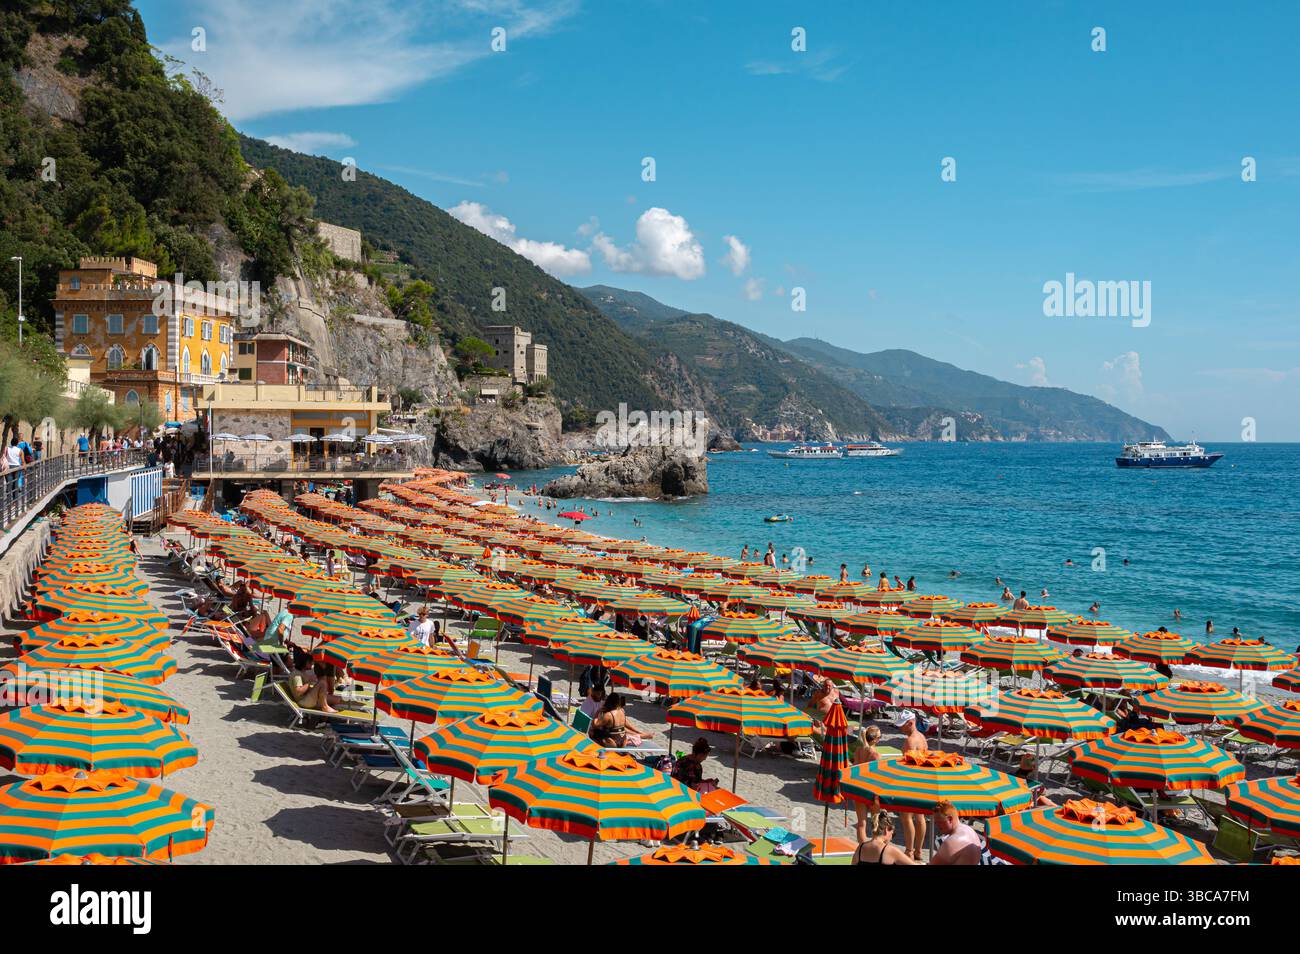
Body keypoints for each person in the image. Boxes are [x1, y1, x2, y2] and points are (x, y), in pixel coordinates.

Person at [894, 709, 928, 860]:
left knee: (906, 817)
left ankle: (909, 850)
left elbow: (908, 765)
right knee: (919, 817)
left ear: (911, 723)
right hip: (922, 780)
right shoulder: (922, 737)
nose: (900, 728)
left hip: (910, 781)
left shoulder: (910, 741)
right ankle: (919, 851)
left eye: (903, 725)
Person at [852, 725, 883, 842]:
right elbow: (878, 776)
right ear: (875, 739)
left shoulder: (858, 751)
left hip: (859, 787)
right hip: (871, 789)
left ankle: (861, 848)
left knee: (861, 823)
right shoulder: (876, 755)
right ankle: (875, 846)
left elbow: (854, 768)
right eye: (880, 737)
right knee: (875, 821)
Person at [930, 801, 983, 865]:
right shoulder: (971, 831)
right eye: (935, 822)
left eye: (939, 822)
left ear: (950, 819)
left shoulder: (952, 842)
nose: (937, 825)